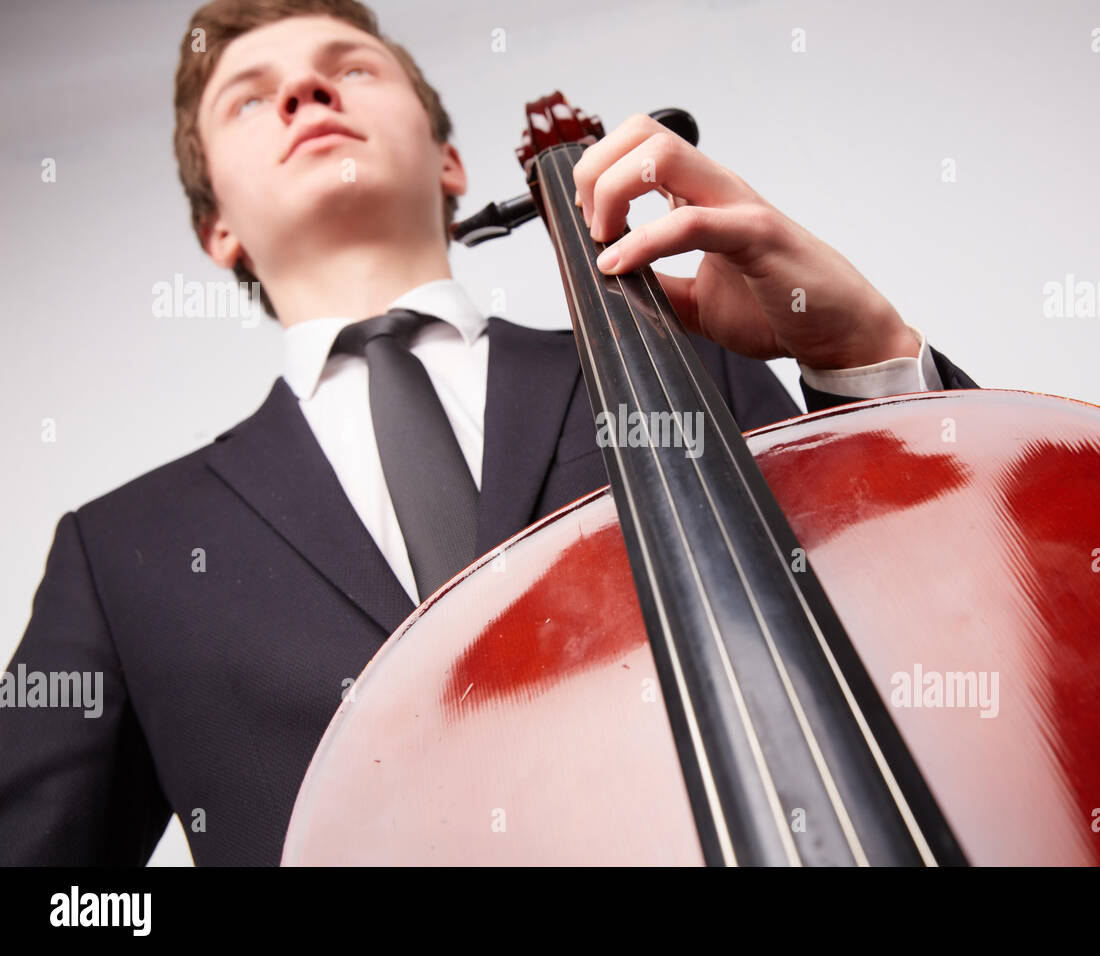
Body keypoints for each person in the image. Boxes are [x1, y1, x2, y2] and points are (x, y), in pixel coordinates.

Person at [0, 0, 977, 865]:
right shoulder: (122, 549)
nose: (303, 88)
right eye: (248, 99)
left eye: (351, 68)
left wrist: (866, 350)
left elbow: (961, 626)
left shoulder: (683, 367)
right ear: (218, 228)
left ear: (450, 162)